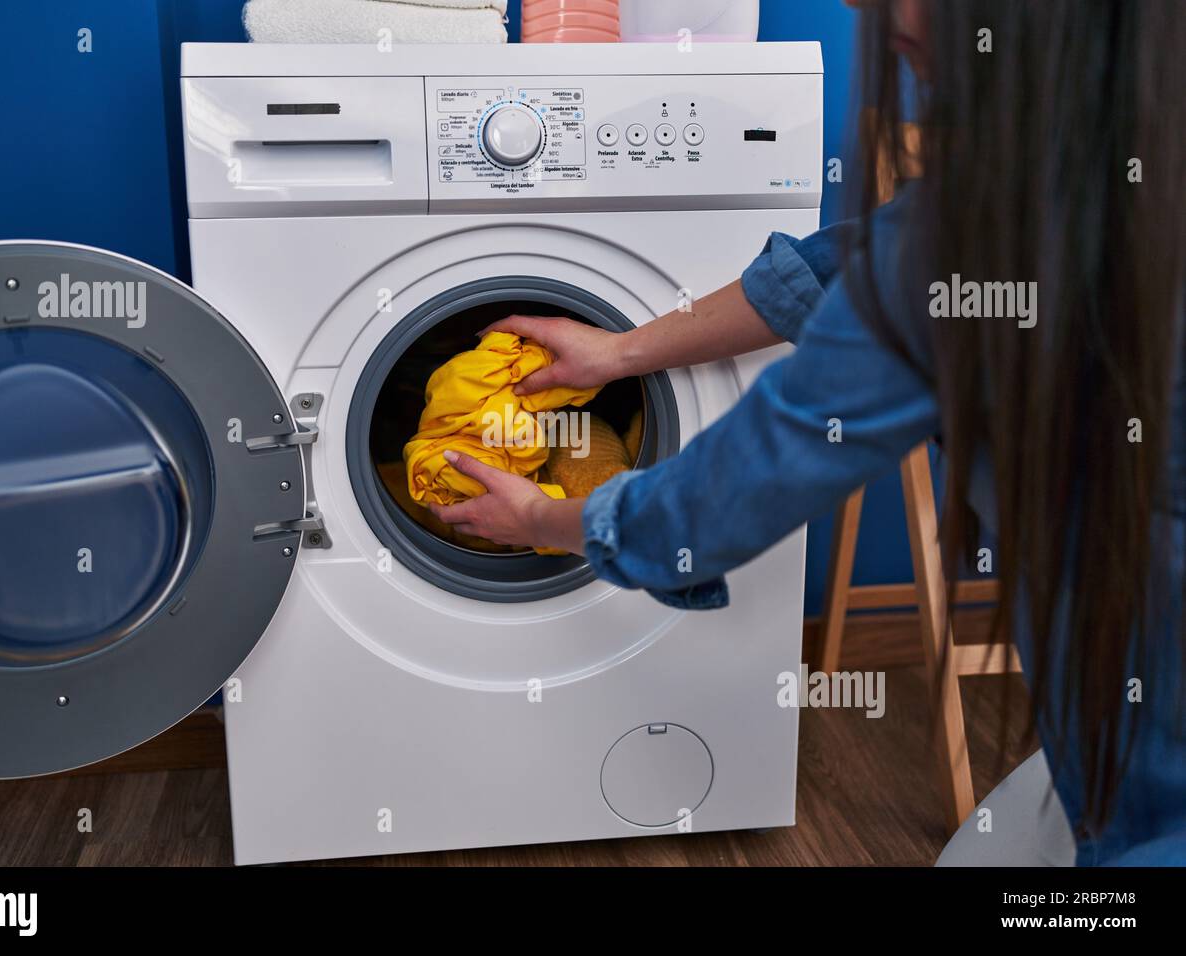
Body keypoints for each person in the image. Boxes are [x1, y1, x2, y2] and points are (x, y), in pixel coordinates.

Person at [429, 0, 1186, 865]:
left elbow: (704, 512)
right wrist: (620, 351)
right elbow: (848, 263)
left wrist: (538, 521)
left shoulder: (983, 244)